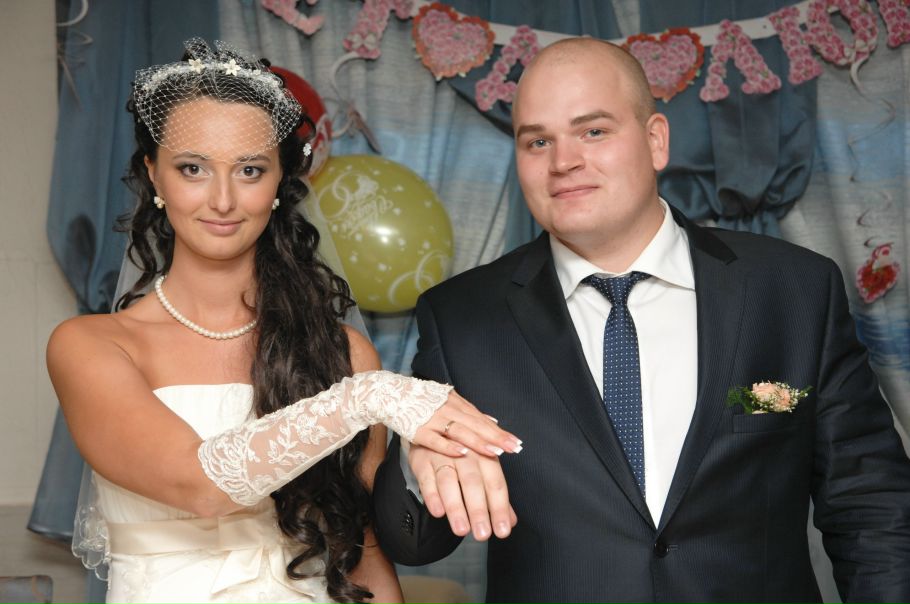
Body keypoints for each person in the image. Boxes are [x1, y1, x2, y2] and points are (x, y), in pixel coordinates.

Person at [372, 37, 910, 603]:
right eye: (537, 141)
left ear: (655, 140)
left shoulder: (794, 289)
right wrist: (415, 454)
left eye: (593, 131)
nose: (563, 162)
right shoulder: (462, 317)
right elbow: (415, 544)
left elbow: (872, 505)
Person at [46, 38, 520, 604]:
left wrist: (423, 454)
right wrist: (368, 397)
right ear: (154, 176)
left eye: (249, 170)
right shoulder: (91, 346)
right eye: (193, 168)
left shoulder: (342, 353)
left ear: (278, 183)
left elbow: (365, 552)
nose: (223, 200)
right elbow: (200, 486)